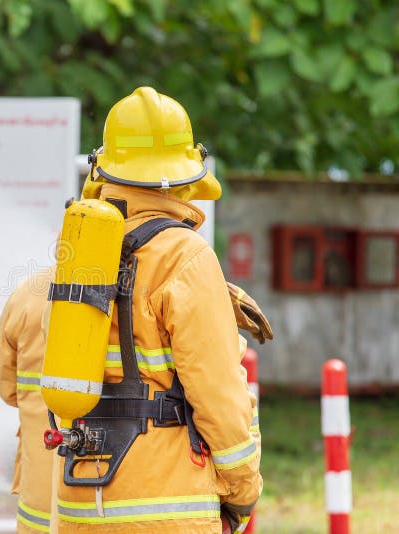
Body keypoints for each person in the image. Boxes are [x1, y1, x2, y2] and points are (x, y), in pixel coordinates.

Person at [47, 87, 263, 533]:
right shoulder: (185, 256)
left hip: (75, 503)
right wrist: (242, 493)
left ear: (104, 166)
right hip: (165, 509)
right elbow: (220, 400)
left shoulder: (80, 251)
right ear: (185, 175)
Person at [0, 266, 58, 533]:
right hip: (118, 491)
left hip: (42, 496)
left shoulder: (30, 292)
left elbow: (6, 386)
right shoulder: (144, 286)